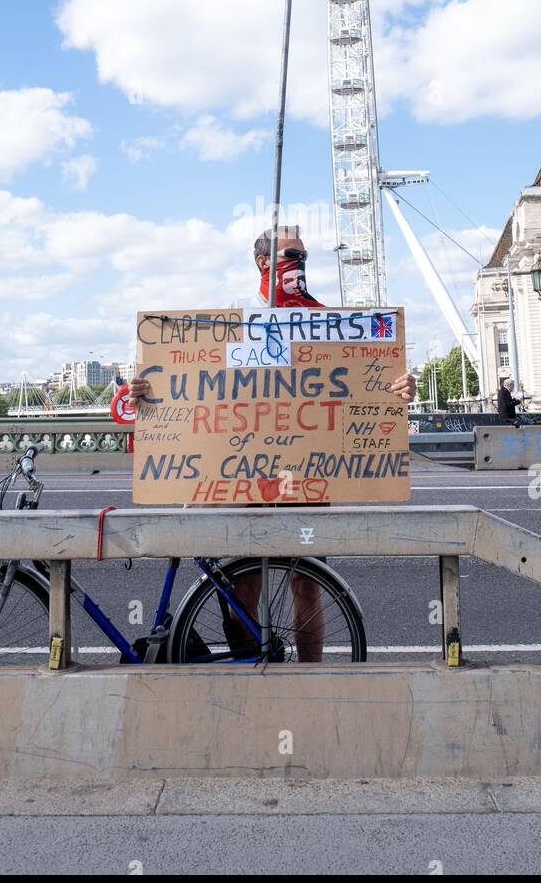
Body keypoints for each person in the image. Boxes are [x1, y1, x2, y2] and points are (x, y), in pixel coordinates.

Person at [129, 226, 416, 661]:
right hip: (245, 473)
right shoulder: (231, 318)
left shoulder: (328, 321)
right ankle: (253, 670)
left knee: (307, 581)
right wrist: (144, 393)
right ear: (262, 262)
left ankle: (310, 677)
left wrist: (400, 389)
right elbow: (188, 384)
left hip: (307, 472)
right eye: (290, 255)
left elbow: (367, 381)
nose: (299, 265)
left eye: (304, 257)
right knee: (242, 585)